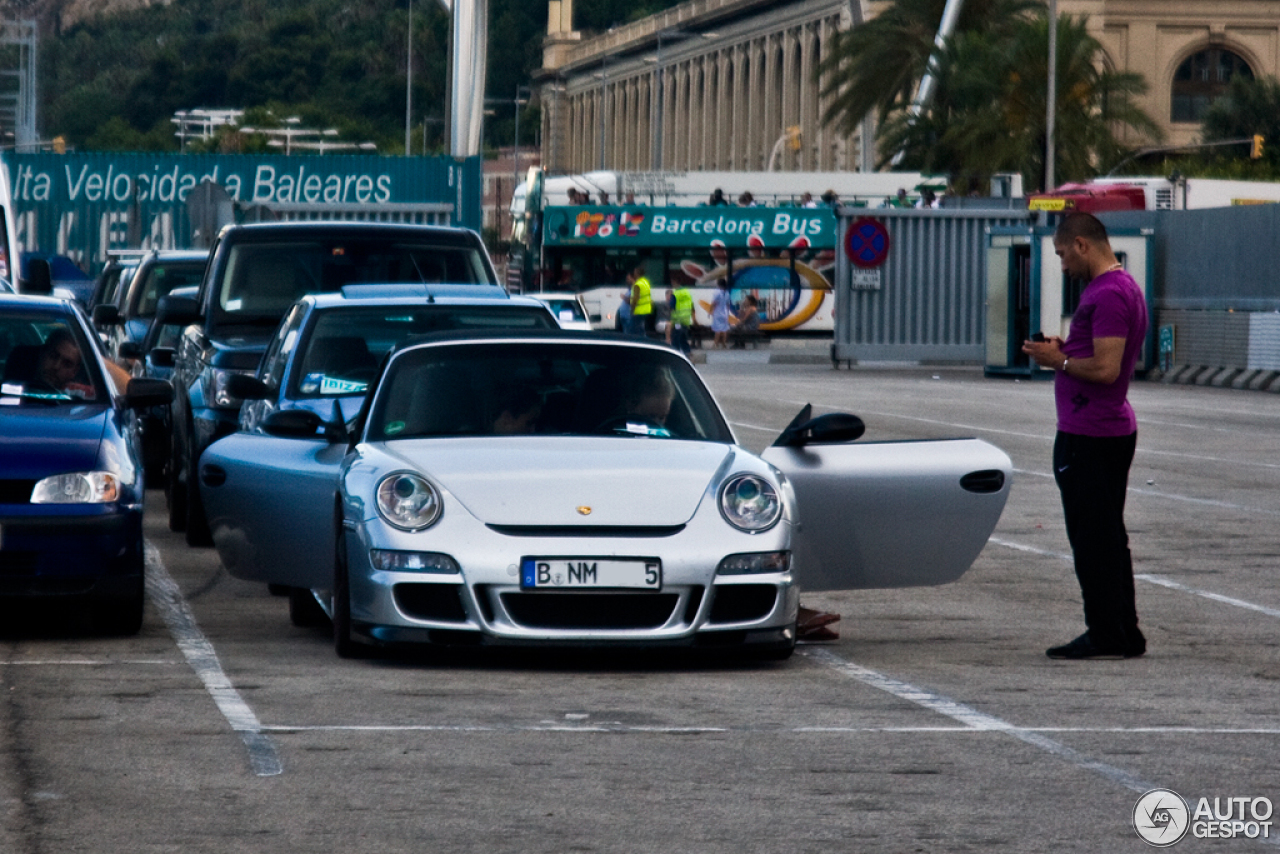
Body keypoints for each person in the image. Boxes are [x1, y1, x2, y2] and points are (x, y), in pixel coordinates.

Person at [1022, 212, 1149, 660]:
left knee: (1092, 537)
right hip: (1101, 430)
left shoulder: (1110, 294)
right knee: (1108, 535)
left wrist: (1059, 363)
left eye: (1061, 255)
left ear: (1081, 244)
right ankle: (1123, 630)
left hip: (1092, 434)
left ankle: (1106, 632)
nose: (1062, 266)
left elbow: (1106, 368)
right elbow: (1094, 353)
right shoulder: (1121, 287)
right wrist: (1067, 350)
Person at [667, 278, 694, 356]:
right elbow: (691, 305)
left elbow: (671, 306)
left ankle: (676, 354)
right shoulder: (687, 292)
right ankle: (687, 352)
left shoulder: (676, 294)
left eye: (672, 282)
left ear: (675, 282)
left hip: (678, 320)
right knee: (683, 338)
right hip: (686, 319)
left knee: (675, 338)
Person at [626, 265, 653, 337]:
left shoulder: (638, 284)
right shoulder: (645, 282)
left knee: (634, 330)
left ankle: (642, 343)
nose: (634, 273)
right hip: (646, 310)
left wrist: (632, 310)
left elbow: (635, 298)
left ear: (637, 273)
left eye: (635, 272)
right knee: (640, 329)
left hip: (638, 311)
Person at [710, 279, 734, 348]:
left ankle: (715, 343)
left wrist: (710, 311)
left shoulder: (717, 293)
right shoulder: (727, 293)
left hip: (718, 313)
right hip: (725, 313)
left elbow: (714, 303)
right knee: (724, 329)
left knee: (717, 329)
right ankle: (724, 343)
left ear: (718, 285)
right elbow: (728, 305)